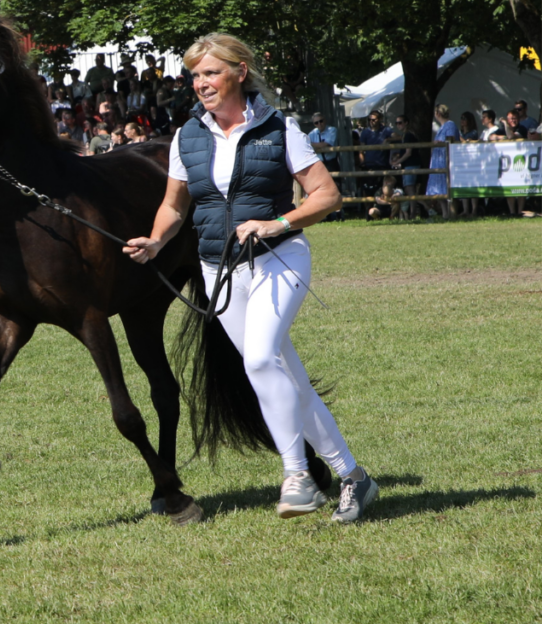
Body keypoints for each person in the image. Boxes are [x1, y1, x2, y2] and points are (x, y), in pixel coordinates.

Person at [123, 32, 376, 523]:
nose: (201, 84)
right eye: (195, 75)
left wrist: (275, 223)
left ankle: (297, 475)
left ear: (240, 72)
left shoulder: (281, 129)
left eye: (211, 72)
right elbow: (174, 205)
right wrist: (155, 241)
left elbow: (326, 196)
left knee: (260, 359)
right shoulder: (187, 136)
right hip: (219, 270)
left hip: (280, 259)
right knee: (285, 377)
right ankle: (353, 478)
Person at [389, 115, 425, 219]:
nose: (398, 125)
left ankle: (417, 212)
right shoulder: (405, 135)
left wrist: (397, 162)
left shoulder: (408, 135)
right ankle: (416, 212)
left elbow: (408, 153)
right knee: (409, 189)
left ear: (406, 123)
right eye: (397, 123)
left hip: (411, 165)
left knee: (410, 189)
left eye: (400, 122)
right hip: (408, 165)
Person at [425, 104, 458, 219]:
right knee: (439, 191)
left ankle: (451, 213)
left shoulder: (450, 125)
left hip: (445, 160)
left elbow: (451, 140)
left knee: (447, 187)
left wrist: (440, 142)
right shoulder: (442, 127)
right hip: (438, 161)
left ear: (438, 114)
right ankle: (445, 214)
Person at [359, 110, 393, 196]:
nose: (371, 122)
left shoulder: (386, 130)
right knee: (367, 190)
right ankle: (368, 208)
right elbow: (361, 150)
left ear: (379, 119)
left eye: (374, 119)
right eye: (369, 120)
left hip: (382, 165)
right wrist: (362, 163)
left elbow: (398, 137)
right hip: (369, 165)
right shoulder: (365, 132)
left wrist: (388, 140)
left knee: (383, 190)